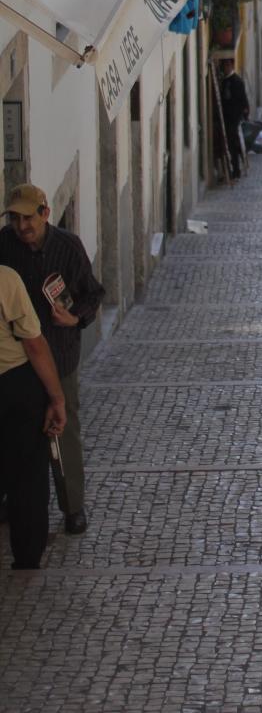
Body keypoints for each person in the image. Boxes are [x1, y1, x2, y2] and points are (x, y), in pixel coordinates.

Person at [0, 186, 103, 537]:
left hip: (58, 353)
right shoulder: (4, 245)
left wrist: (76, 319)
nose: (21, 225)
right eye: (15, 218)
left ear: (44, 213)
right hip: (18, 358)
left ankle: (72, 506)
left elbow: (94, 292)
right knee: (18, 431)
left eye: (27, 217)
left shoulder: (67, 245)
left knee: (64, 428)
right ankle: (15, 500)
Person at [0, 264, 66, 569]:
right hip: (13, 383)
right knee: (27, 475)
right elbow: (34, 345)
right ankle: (27, 556)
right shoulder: (6, 279)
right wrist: (56, 397)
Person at [219, 63, 250, 180]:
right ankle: (236, 168)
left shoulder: (236, 81)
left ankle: (236, 170)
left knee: (233, 145)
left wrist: (241, 115)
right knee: (233, 145)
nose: (225, 69)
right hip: (229, 119)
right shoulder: (226, 81)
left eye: (226, 66)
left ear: (231, 66)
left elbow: (242, 100)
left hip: (234, 119)